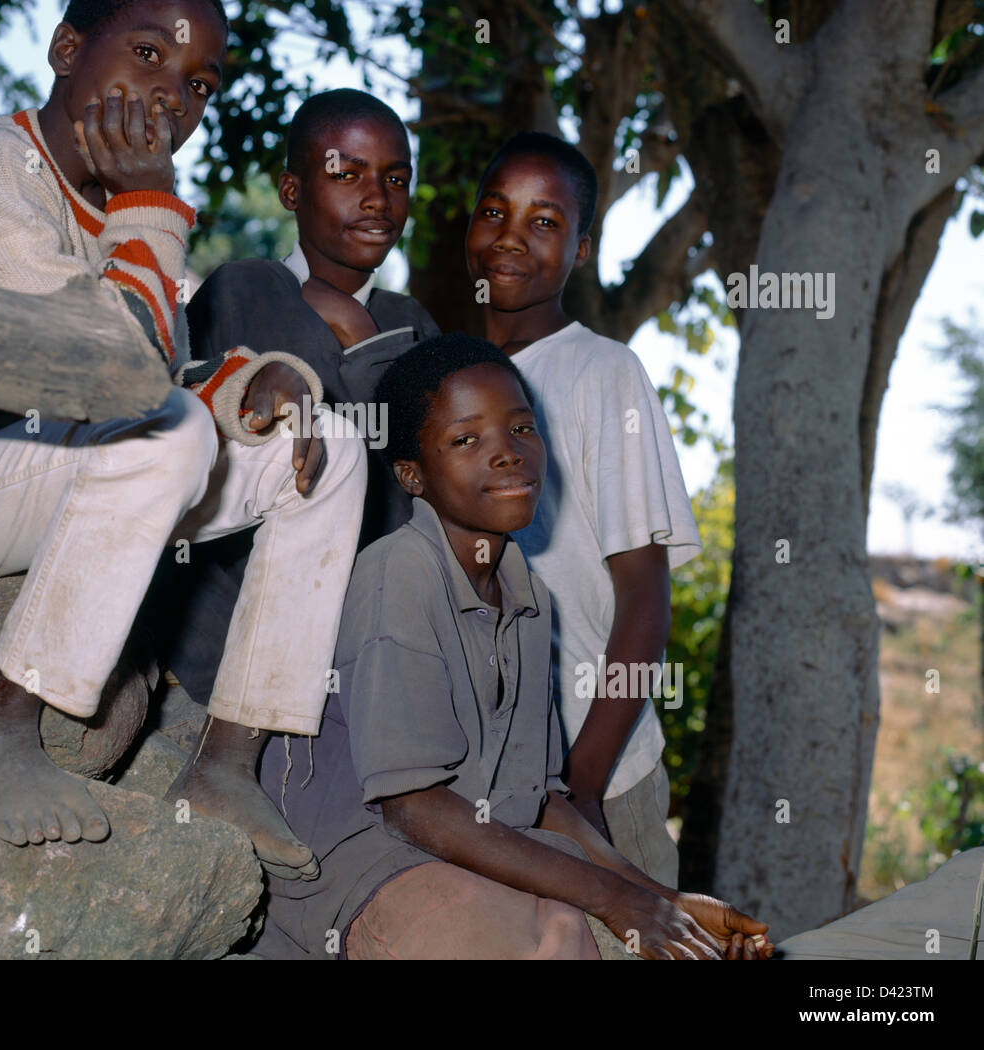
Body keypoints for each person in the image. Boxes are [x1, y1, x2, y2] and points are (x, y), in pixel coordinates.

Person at [0, 0, 366, 880]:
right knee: (169, 432)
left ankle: (226, 763)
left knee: (331, 448)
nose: (169, 93)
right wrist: (151, 200)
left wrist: (267, 386)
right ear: (66, 51)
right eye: (147, 53)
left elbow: (178, 359)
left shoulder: (124, 213)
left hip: (42, 472)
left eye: (196, 83)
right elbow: (111, 374)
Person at [252, 334, 772, 959]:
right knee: (554, 936)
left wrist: (659, 898)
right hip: (364, 870)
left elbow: (541, 800)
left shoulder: (525, 593)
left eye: (521, 428)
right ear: (412, 475)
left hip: (464, 853)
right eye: (466, 440)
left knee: (585, 933)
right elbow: (413, 808)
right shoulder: (400, 573)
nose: (506, 454)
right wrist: (614, 900)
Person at [141, 89, 439, 707]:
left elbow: (423, 491)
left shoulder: (412, 324)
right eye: (346, 174)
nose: (378, 198)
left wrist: (360, 341)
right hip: (226, 638)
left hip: (373, 640)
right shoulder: (245, 289)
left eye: (396, 178)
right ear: (292, 191)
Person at [475, 132, 701, 887]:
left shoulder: (603, 372)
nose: (511, 237)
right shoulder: (452, 384)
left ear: (581, 249)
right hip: (492, 776)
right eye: (495, 213)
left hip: (600, 770)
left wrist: (585, 783)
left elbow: (645, 603)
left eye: (544, 222)